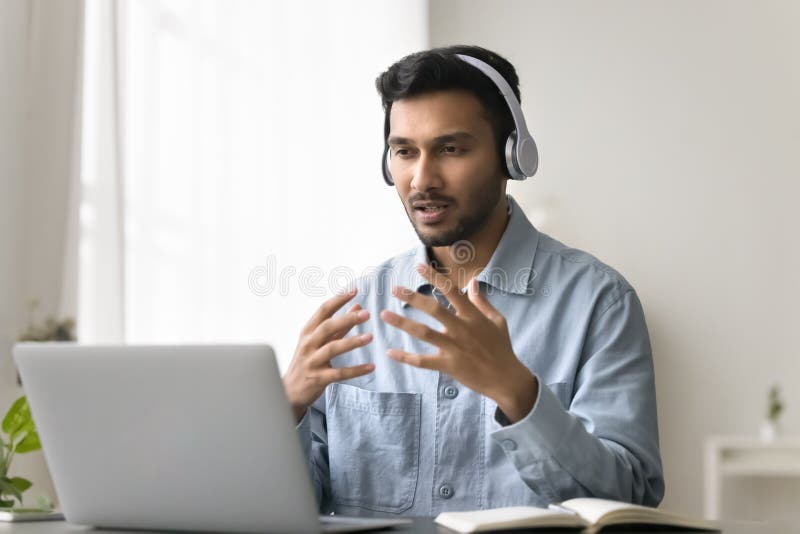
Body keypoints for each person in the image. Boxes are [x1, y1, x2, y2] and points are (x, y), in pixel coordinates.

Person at [282, 44, 664, 517]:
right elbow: (296, 512)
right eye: (404, 151)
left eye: (451, 149)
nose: (422, 179)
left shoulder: (600, 304)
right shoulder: (353, 313)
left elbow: (630, 501)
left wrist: (519, 396)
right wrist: (286, 413)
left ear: (512, 156)